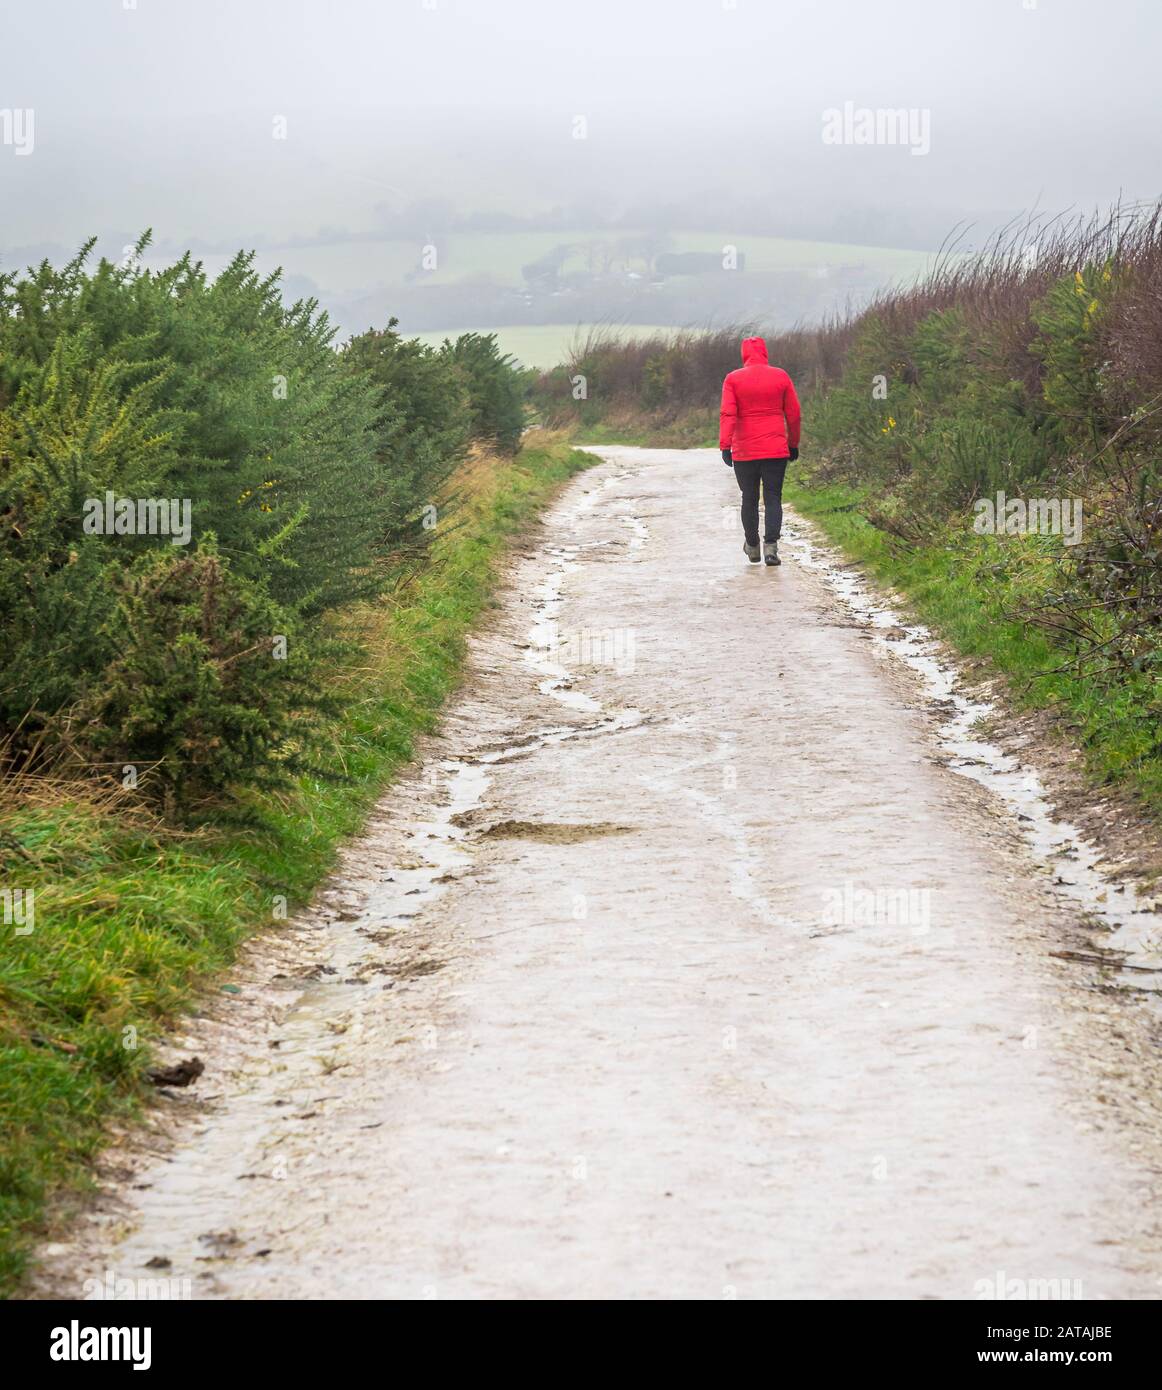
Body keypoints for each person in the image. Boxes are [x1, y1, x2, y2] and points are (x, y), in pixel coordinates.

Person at [719, 336, 801, 566]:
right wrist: (793, 443)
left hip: (745, 452)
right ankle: (771, 548)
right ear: (765, 352)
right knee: (773, 498)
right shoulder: (780, 376)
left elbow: (728, 414)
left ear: (744, 353)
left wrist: (725, 445)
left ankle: (752, 546)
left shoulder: (733, 379)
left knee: (749, 498)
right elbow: (794, 414)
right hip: (775, 450)